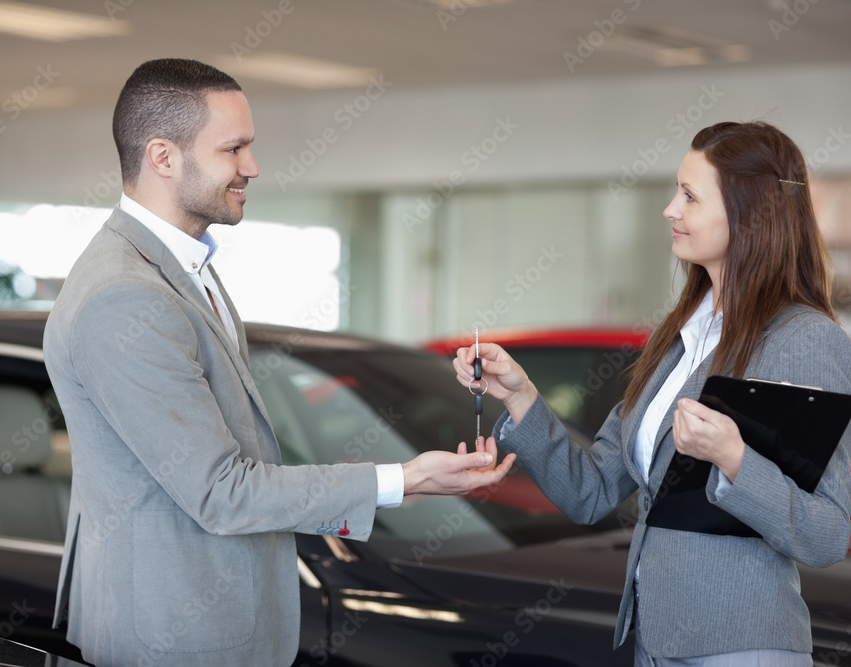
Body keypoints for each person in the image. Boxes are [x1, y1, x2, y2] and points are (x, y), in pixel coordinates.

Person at [43, 58, 515, 667]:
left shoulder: (179, 268)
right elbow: (222, 490)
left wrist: (405, 482)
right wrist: (404, 478)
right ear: (163, 157)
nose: (252, 167)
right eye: (233, 148)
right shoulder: (125, 297)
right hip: (175, 640)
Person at [454, 121, 851, 666]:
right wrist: (519, 395)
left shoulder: (803, 340)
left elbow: (825, 535)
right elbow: (590, 491)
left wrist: (733, 459)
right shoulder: (679, 338)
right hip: (655, 642)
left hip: (740, 646)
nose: (670, 210)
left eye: (689, 196)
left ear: (751, 213)